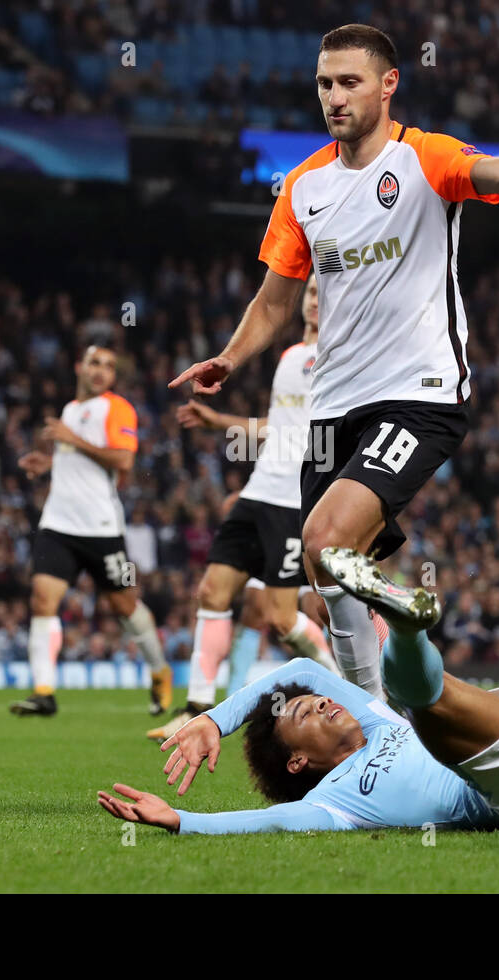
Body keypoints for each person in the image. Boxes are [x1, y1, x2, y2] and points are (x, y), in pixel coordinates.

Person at [170, 24, 499, 704]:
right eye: (325, 83)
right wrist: (230, 356)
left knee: (326, 539)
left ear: (388, 84)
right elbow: (274, 302)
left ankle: (366, 724)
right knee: (334, 571)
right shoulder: (303, 187)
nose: (334, 96)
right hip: (333, 408)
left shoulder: (424, 158)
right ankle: (410, 706)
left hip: (418, 395)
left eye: (349, 82)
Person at [100, 334, 499, 834]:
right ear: (298, 763)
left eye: (312, 704)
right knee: (419, 700)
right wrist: (184, 821)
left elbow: (303, 669)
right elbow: (274, 823)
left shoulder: (377, 724)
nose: (322, 704)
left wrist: (215, 722)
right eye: (305, 716)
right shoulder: (338, 802)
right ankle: (406, 628)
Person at [149, 273, 362, 740]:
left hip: (291, 501)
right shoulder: (289, 357)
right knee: (212, 592)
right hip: (258, 493)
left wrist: (320, 490)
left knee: (283, 617)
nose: (313, 303)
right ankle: (195, 707)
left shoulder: (341, 360)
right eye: (309, 294)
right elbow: (280, 425)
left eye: (322, 297)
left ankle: (348, 693)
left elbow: (328, 433)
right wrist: (220, 424)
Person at [10, 346, 172, 717]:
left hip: (100, 526)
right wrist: (52, 461)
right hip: (58, 523)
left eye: (109, 366)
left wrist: (70, 440)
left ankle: (160, 671)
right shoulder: (70, 409)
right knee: (42, 599)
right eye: (95, 363)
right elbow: (81, 460)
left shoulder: (116, 408)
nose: (101, 371)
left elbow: (123, 458)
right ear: (79, 366)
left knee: (123, 606)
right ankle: (43, 692)